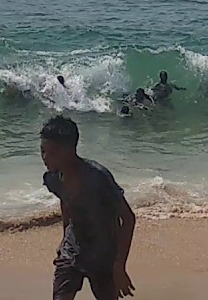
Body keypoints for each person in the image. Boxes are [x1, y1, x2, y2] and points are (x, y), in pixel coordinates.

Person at [39, 115, 137, 299]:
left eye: (52, 153)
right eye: (42, 151)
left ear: (70, 150)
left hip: (104, 254)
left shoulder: (98, 177)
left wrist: (119, 266)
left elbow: (128, 218)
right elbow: (66, 202)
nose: (45, 157)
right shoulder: (52, 178)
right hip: (72, 249)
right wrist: (64, 236)